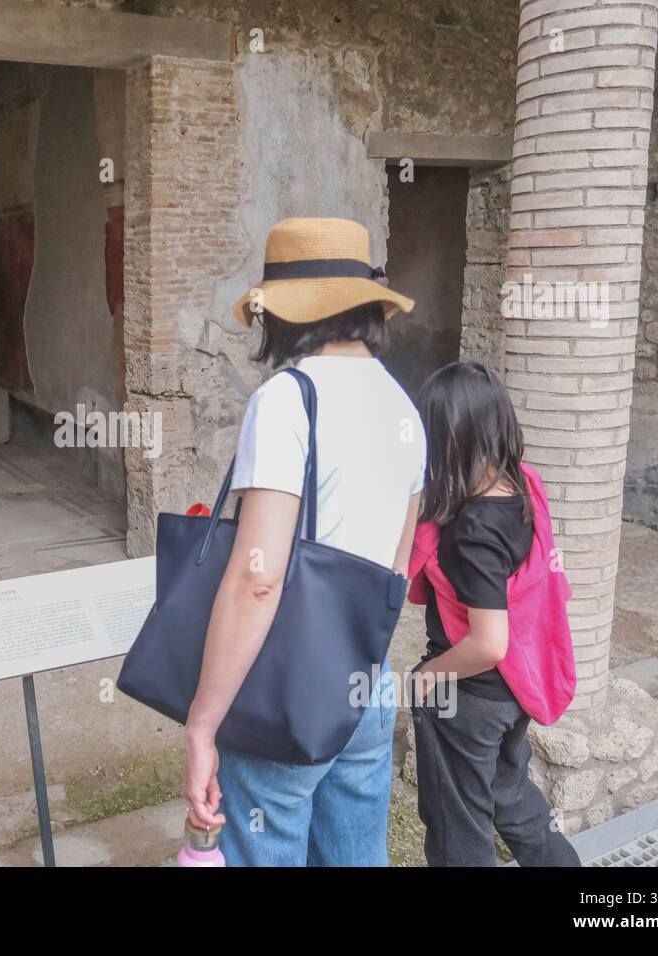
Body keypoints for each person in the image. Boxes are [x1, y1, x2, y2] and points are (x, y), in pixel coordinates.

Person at [184, 217, 425, 866]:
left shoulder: (289, 400)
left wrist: (203, 723)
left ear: (285, 316)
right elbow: (396, 572)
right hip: (365, 684)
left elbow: (257, 578)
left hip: (287, 694)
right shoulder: (404, 410)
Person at [407, 361, 580, 867]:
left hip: (470, 694)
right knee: (510, 795)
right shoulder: (520, 487)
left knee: (457, 826)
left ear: (445, 438)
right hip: (513, 690)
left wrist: (425, 677)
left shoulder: (473, 532)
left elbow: (487, 643)